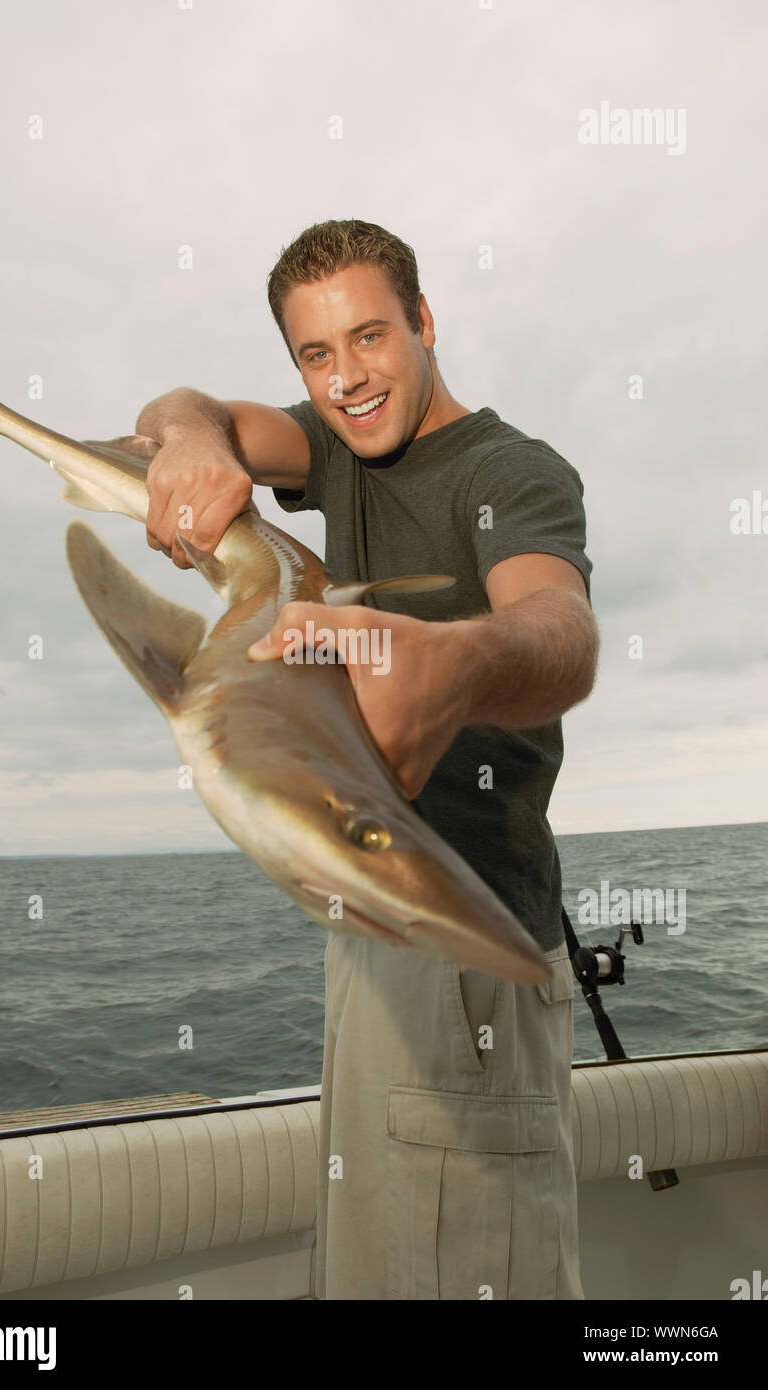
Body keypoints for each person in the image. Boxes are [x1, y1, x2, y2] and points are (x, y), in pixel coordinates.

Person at [137, 219, 599, 1300]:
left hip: (467, 949)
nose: (345, 379)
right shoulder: (335, 444)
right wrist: (195, 443)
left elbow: (559, 633)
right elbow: (178, 410)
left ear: (426, 322)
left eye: (370, 337)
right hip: (366, 927)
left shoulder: (510, 471)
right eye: (314, 353)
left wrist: (458, 660)